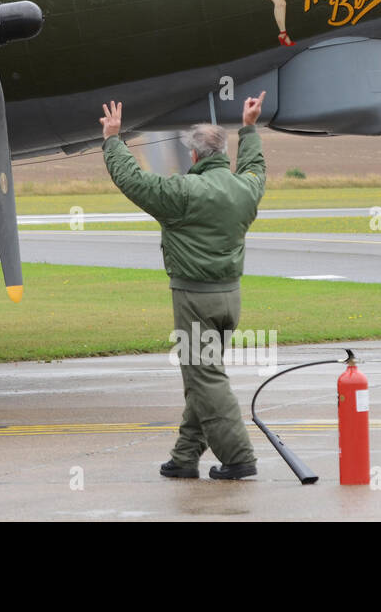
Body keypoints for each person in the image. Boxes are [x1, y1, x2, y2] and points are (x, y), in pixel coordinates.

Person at [99, 92, 268, 480]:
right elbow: (256, 166)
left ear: (194, 156)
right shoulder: (246, 189)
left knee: (206, 379)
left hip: (195, 300)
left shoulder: (181, 194)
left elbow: (133, 180)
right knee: (201, 376)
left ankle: (239, 456)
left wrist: (113, 140)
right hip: (231, 300)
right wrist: (249, 127)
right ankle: (184, 456)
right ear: (221, 153)